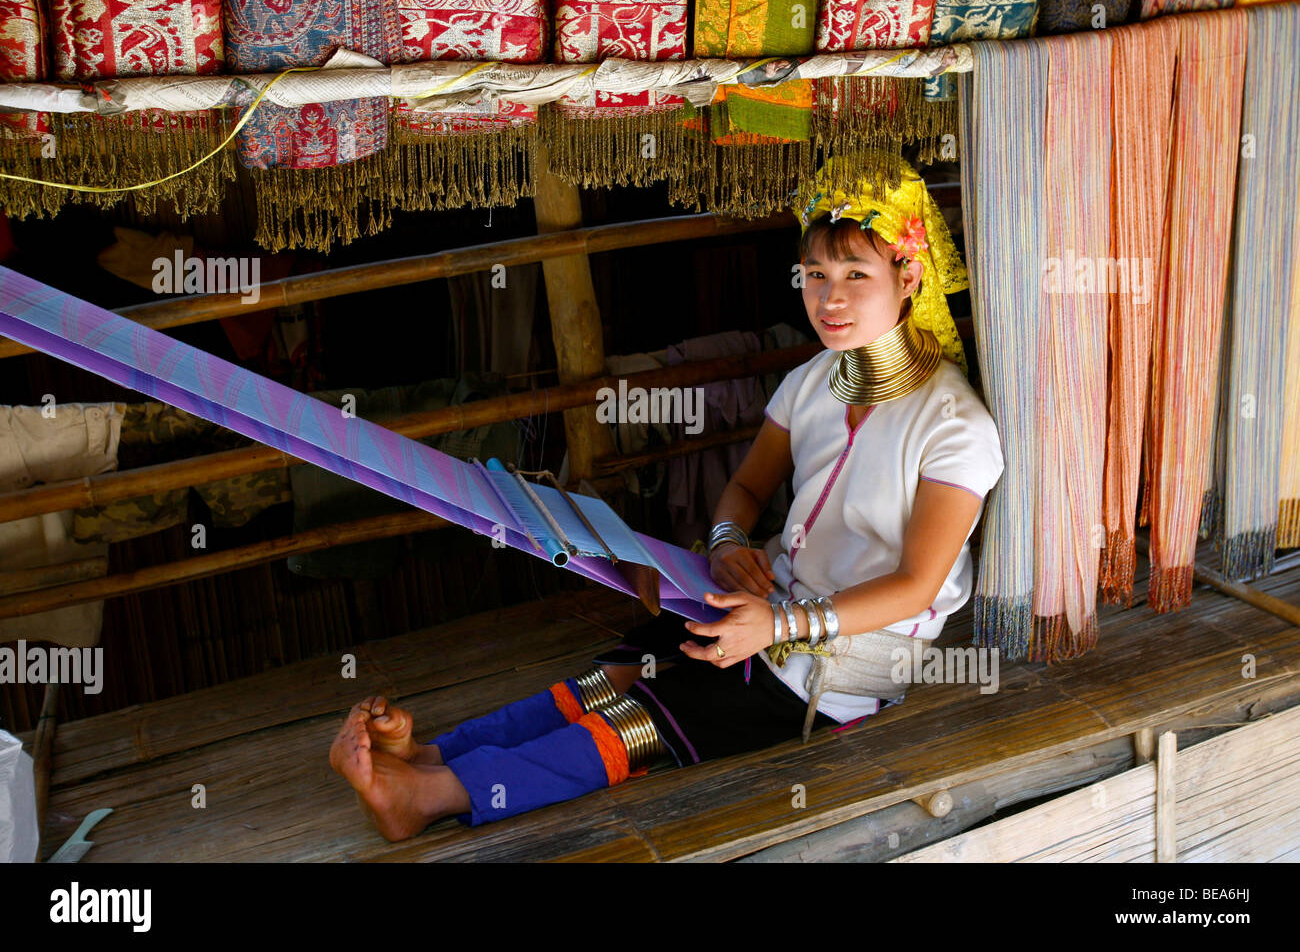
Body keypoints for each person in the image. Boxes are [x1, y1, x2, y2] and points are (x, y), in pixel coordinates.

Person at [328, 158, 1005, 841]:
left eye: (857, 274)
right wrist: (728, 541)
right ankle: (434, 753)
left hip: (850, 661)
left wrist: (776, 627)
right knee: (618, 672)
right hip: (769, 609)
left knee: (649, 712)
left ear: (910, 277)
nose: (830, 298)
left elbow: (919, 587)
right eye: (816, 274)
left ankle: (433, 796)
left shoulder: (954, 425)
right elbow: (744, 489)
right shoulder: (813, 382)